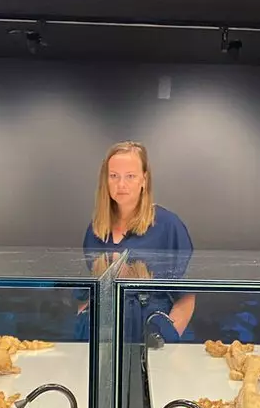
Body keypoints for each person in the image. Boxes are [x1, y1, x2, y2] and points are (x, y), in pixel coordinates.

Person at [82, 141, 195, 340]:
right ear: (105, 180)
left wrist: (166, 338)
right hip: (104, 339)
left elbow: (186, 297)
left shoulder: (168, 226)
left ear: (144, 179)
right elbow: (86, 296)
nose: (121, 185)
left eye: (130, 176)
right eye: (114, 176)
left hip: (151, 336)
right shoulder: (95, 230)